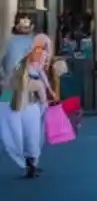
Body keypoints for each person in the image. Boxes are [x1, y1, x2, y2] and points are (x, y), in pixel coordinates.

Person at [1, 33, 57, 178]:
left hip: (29, 103)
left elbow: (40, 76)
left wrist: (48, 92)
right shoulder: (16, 65)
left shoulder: (35, 61)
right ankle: (27, 162)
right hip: (12, 102)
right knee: (16, 137)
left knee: (33, 134)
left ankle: (31, 162)